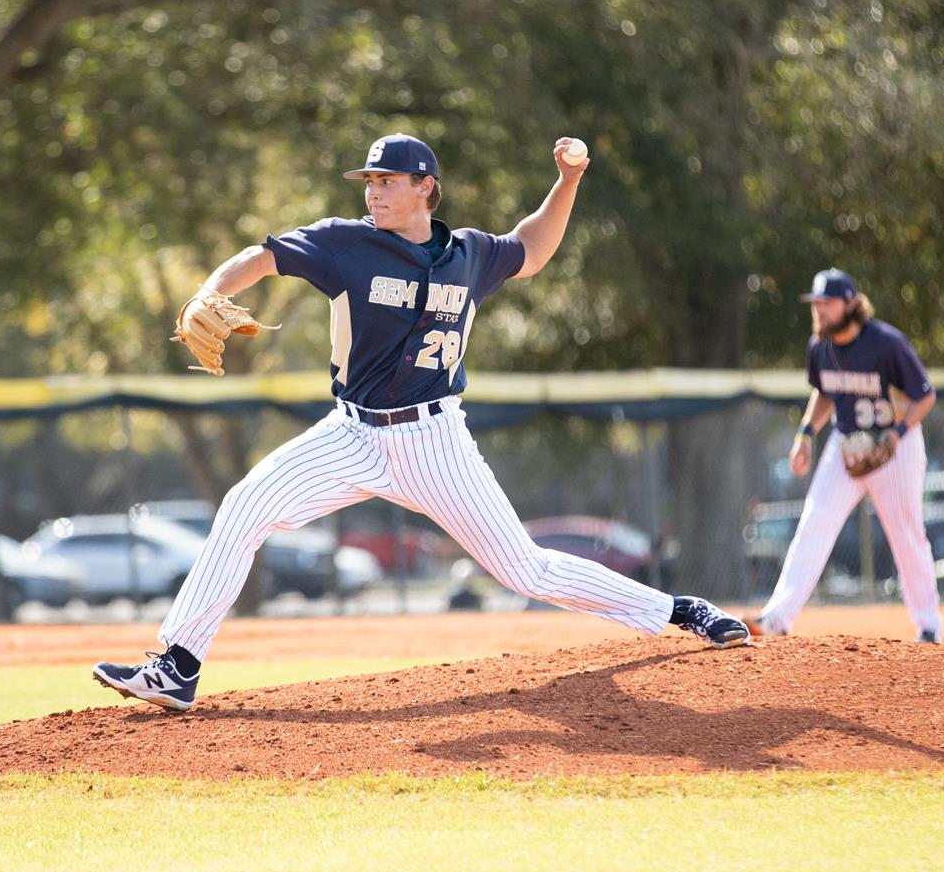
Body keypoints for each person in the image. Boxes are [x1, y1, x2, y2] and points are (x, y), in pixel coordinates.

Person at [94, 133, 749, 711]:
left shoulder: (469, 254)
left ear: (425, 187)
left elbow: (532, 247)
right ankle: (178, 665)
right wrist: (211, 291)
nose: (374, 191)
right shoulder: (346, 244)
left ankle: (677, 609)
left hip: (435, 440)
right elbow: (261, 256)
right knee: (244, 506)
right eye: (370, 180)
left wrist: (569, 180)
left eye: (388, 180)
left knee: (526, 570)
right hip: (351, 434)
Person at [753, 268, 944, 643]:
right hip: (845, 442)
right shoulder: (819, 346)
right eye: (816, 303)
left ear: (851, 304)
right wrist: (806, 433)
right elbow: (825, 392)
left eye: (828, 302)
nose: (820, 310)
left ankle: (928, 625)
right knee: (814, 522)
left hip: (894, 447)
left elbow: (925, 397)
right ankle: (777, 618)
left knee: (906, 535)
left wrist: (897, 433)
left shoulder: (886, 344)